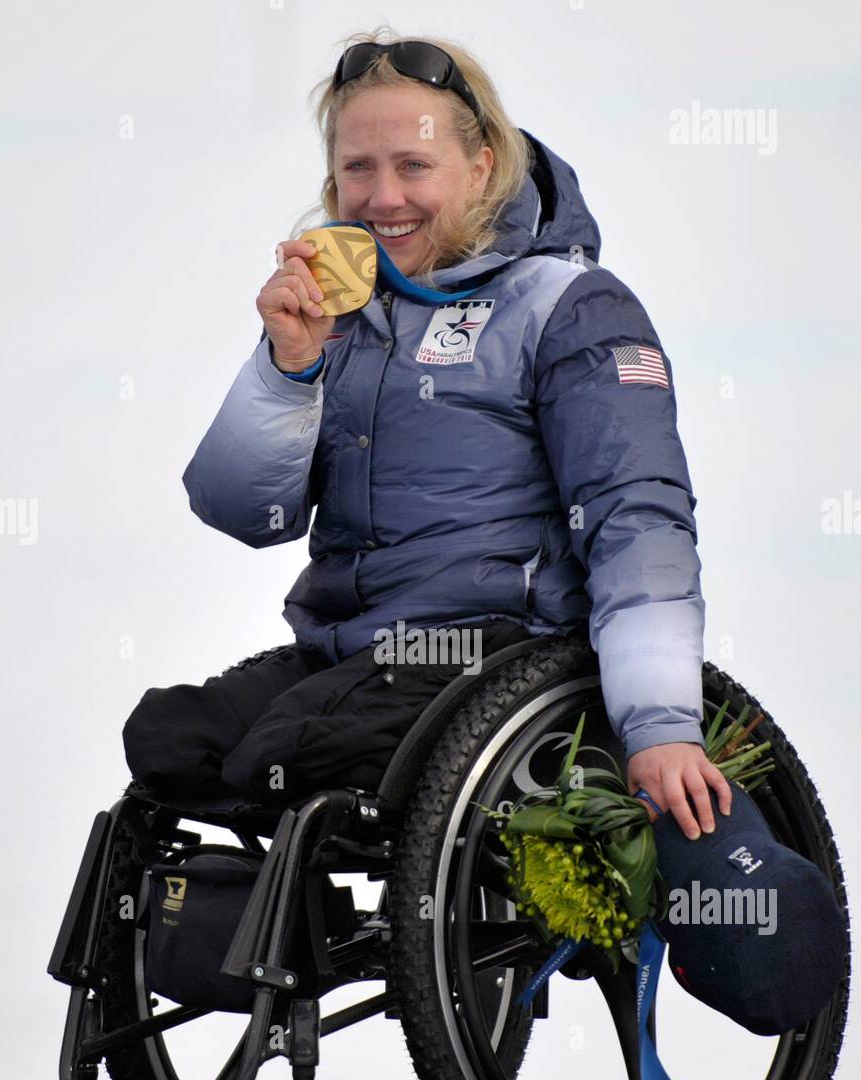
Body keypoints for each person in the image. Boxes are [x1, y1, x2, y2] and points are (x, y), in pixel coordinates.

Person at [123, 26, 732, 838]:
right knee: (169, 740)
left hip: (498, 653)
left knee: (296, 746)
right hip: (347, 654)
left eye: (413, 166)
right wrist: (287, 368)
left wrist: (660, 726)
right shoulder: (339, 306)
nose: (382, 199)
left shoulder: (570, 306)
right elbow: (244, 515)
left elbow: (638, 516)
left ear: (481, 166)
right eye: (357, 170)